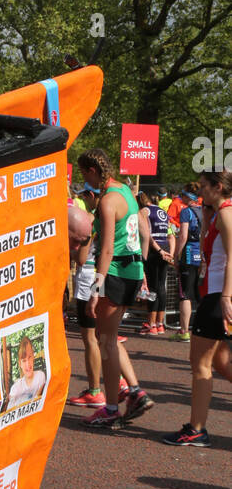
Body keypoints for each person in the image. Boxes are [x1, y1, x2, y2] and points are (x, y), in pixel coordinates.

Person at [76, 149, 154, 430]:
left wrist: (96, 288)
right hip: (131, 271)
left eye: (85, 174)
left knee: (105, 341)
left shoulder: (108, 200)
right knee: (107, 336)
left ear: (94, 171)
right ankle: (134, 391)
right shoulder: (126, 191)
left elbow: (107, 248)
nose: (85, 180)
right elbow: (141, 231)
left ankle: (110, 408)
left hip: (117, 272)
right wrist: (143, 271)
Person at [163, 170, 232, 447]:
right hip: (215, 294)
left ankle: (196, 429)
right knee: (219, 362)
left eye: (204, 186)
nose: (200, 191)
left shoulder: (227, 214)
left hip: (218, 296)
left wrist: (226, 296)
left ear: (218, 186)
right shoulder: (218, 213)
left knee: (200, 365)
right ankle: (196, 428)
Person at [139, 190, 173, 334]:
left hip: (154, 248)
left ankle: (151, 324)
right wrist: (170, 252)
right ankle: (160, 324)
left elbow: (147, 236)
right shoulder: (162, 211)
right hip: (164, 245)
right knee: (161, 286)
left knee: (153, 286)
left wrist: (158, 250)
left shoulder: (144, 211)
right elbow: (171, 234)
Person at [171, 187, 202, 342]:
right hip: (201, 255)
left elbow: (183, 235)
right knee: (199, 293)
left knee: (185, 295)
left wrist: (177, 254)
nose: (180, 198)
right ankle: (202, 328)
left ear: (188, 197)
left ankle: (184, 331)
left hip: (189, 254)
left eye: (182, 195)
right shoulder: (205, 210)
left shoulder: (186, 211)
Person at [4, 335, 46, 409]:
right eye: (24, 360)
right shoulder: (15, 388)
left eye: (29, 357)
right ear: (20, 364)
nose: (28, 364)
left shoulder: (40, 376)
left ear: (33, 357)